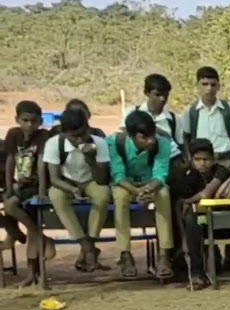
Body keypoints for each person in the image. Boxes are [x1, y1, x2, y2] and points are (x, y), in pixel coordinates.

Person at [40, 108, 111, 272]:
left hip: (91, 181)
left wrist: (91, 160)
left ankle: (91, 240)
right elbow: (54, 178)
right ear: (64, 133)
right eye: (74, 136)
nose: (79, 140)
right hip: (67, 182)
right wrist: (72, 189)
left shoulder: (99, 143)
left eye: (83, 134)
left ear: (88, 128)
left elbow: (101, 179)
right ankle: (87, 245)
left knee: (103, 193)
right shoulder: (54, 144)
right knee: (56, 195)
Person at [109, 110, 176, 279]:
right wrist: (137, 191)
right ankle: (125, 255)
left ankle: (164, 255)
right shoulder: (115, 143)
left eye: (152, 135)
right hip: (126, 185)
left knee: (164, 194)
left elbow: (161, 173)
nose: (150, 140)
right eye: (144, 137)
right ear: (131, 136)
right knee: (120, 197)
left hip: (151, 183)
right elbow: (118, 175)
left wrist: (148, 189)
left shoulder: (163, 143)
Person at [170, 138, 230, 289]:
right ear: (191, 160)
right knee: (192, 220)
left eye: (206, 159)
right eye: (197, 160)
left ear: (213, 159)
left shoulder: (221, 171)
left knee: (193, 218)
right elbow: (178, 201)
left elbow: (205, 194)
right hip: (200, 224)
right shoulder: (189, 176)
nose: (202, 163)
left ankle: (202, 270)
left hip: (224, 223)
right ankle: (197, 273)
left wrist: (188, 201)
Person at [3, 100, 50, 286]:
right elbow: (10, 161)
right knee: (9, 207)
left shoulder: (43, 136)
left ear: (40, 121)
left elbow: (41, 164)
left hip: (35, 185)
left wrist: (42, 192)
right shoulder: (13, 134)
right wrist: (9, 188)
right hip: (20, 185)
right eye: (25, 120)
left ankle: (29, 234)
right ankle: (32, 270)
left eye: (34, 121)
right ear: (17, 119)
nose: (30, 125)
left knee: (11, 207)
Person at [177, 66, 230, 167]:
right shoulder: (190, 111)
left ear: (218, 86)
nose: (209, 88)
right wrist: (189, 158)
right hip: (201, 163)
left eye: (213, 85)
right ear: (197, 86)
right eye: (204, 84)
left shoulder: (228, 108)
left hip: (224, 160)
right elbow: (185, 137)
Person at [123, 74, 180, 151]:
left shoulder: (173, 119)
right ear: (146, 93)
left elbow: (180, 144)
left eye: (166, 95)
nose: (162, 99)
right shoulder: (131, 112)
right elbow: (124, 138)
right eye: (157, 95)